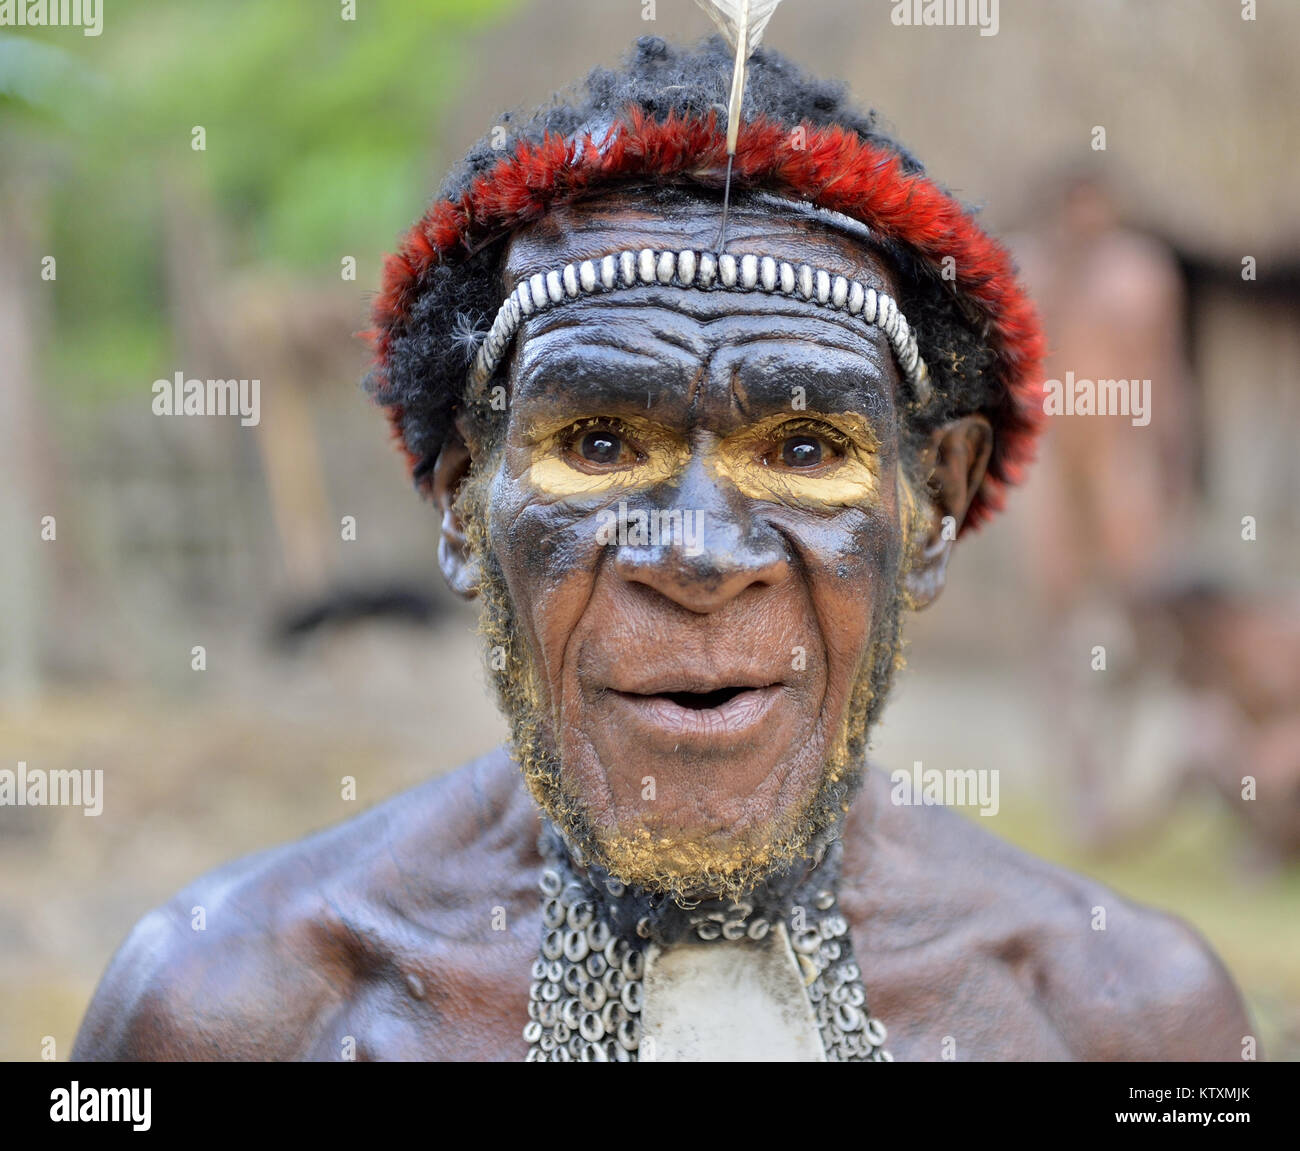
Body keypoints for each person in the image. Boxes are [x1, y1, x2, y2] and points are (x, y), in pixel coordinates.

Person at [73, 37, 1249, 1062]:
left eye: (800, 447)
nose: (695, 554)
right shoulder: (234, 1010)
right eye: (595, 440)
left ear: (930, 504)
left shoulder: (1125, 1021)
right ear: (461, 505)